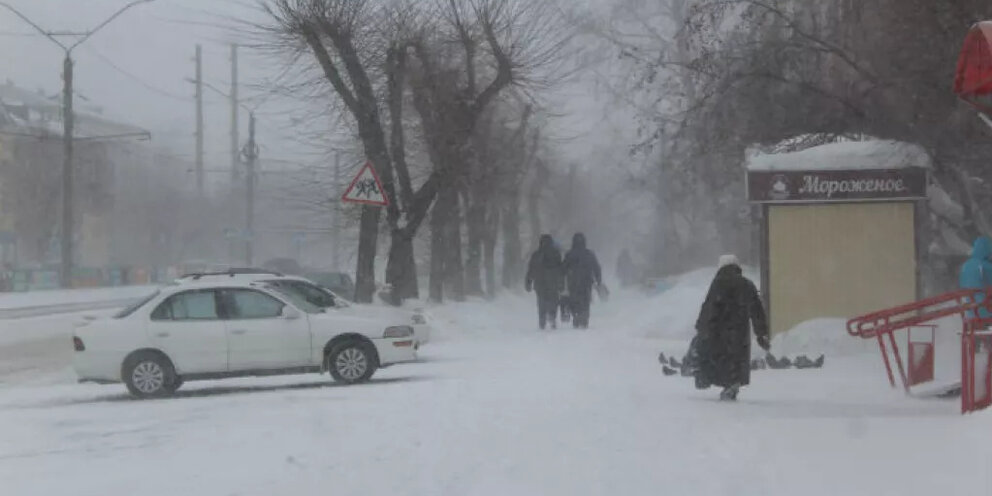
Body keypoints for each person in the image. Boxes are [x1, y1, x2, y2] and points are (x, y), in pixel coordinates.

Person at [693, 254, 769, 401]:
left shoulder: (718, 283)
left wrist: (702, 327)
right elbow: (757, 310)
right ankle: (733, 384)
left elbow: (709, 307)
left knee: (720, 359)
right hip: (739, 332)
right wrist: (761, 333)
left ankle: (723, 383)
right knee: (736, 360)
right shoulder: (747, 284)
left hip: (719, 331)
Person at [563, 232, 602, 329]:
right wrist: (598, 279)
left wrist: (562, 280)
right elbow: (596, 268)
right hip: (586, 282)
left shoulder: (569, 254)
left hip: (573, 282)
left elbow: (563, 268)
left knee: (574, 300)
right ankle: (584, 318)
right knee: (585, 300)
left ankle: (576, 316)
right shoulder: (589, 254)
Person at [525, 234, 563, 330]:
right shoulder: (556, 253)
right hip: (553, 282)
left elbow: (531, 269)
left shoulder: (536, 254)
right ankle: (552, 316)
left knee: (541, 301)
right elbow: (561, 269)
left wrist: (528, 281)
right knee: (553, 300)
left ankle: (542, 321)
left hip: (539, 283)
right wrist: (561, 283)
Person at [960, 236, 992, 318]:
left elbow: (962, 285)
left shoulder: (966, 265)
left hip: (970, 308)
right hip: (986, 308)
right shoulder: (986, 266)